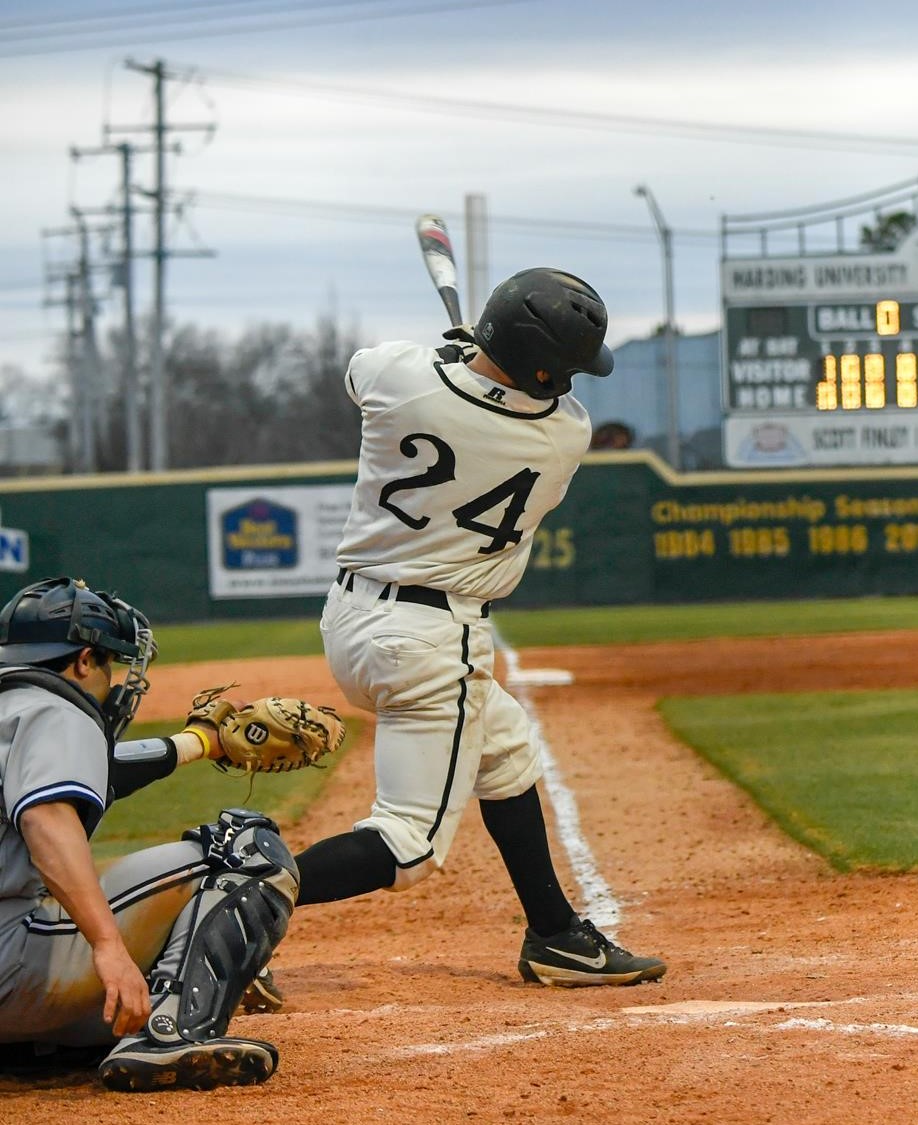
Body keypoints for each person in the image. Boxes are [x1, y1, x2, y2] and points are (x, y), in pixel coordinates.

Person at [289, 268, 664, 987]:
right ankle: (231, 903)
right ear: (542, 368)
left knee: (507, 749)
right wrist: (483, 375)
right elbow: (512, 402)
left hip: (354, 616)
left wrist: (461, 365)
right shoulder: (564, 437)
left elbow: (362, 372)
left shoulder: (398, 378)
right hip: (432, 640)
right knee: (409, 843)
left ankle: (555, 932)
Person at [0, 578, 300, 1091]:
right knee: (244, 848)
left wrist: (199, 743)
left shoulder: (14, 709)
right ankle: (173, 1034)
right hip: (10, 971)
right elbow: (46, 818)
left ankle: (32, 1047)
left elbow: (98, 770)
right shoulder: (55, 709)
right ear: (83, 661)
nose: (115, 679)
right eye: (110, 663)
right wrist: (109, 946)